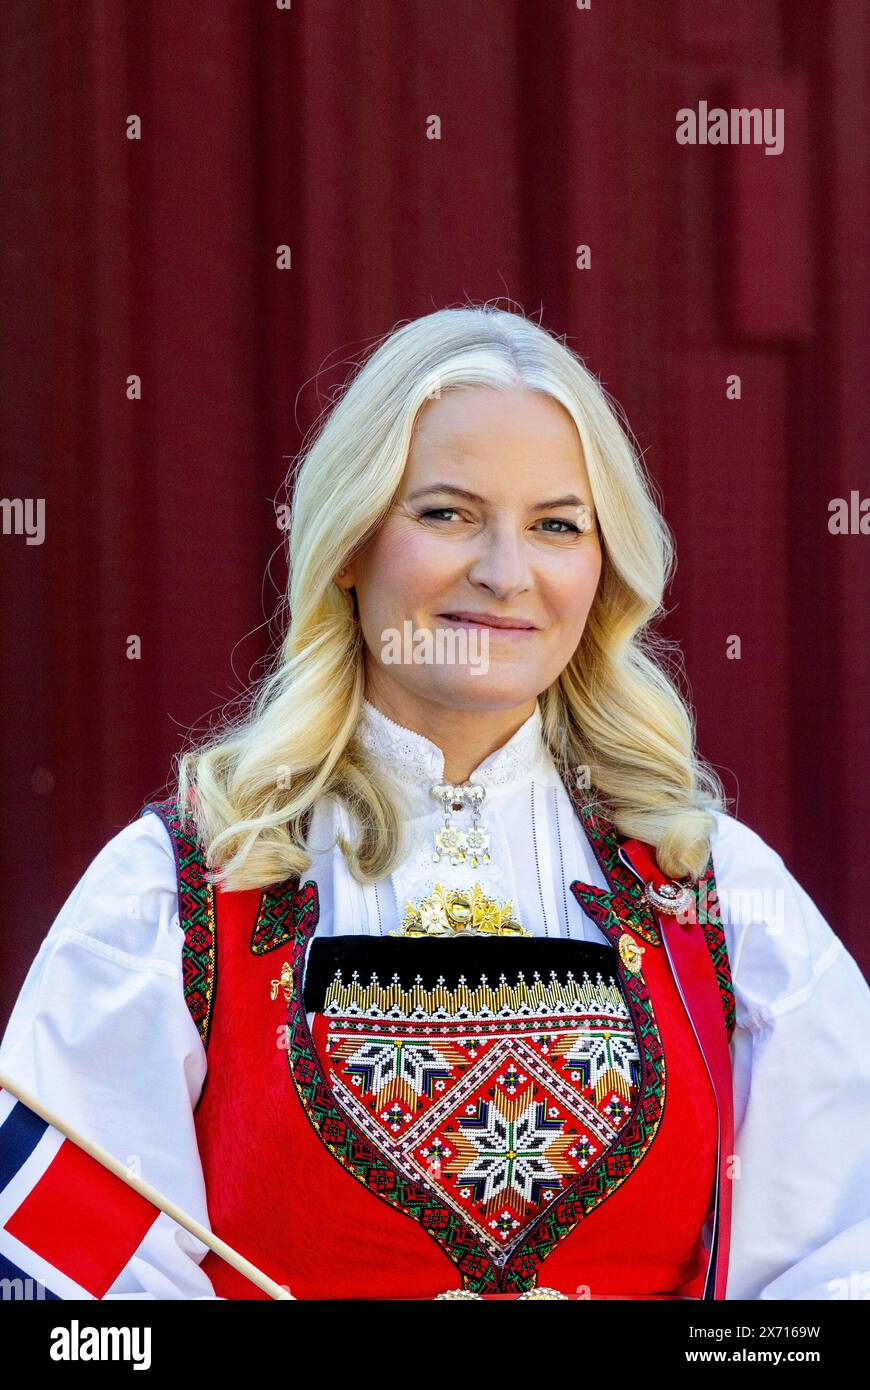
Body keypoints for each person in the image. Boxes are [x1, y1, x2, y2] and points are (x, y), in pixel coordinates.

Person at [2, 305, 869, 1300]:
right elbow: (79, 1292)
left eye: (555, 525)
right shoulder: (181, 885)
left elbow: (837, 1264)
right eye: (447, 513)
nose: (506, 575)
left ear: (602, 566)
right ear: (349, 542)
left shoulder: (711, 889)